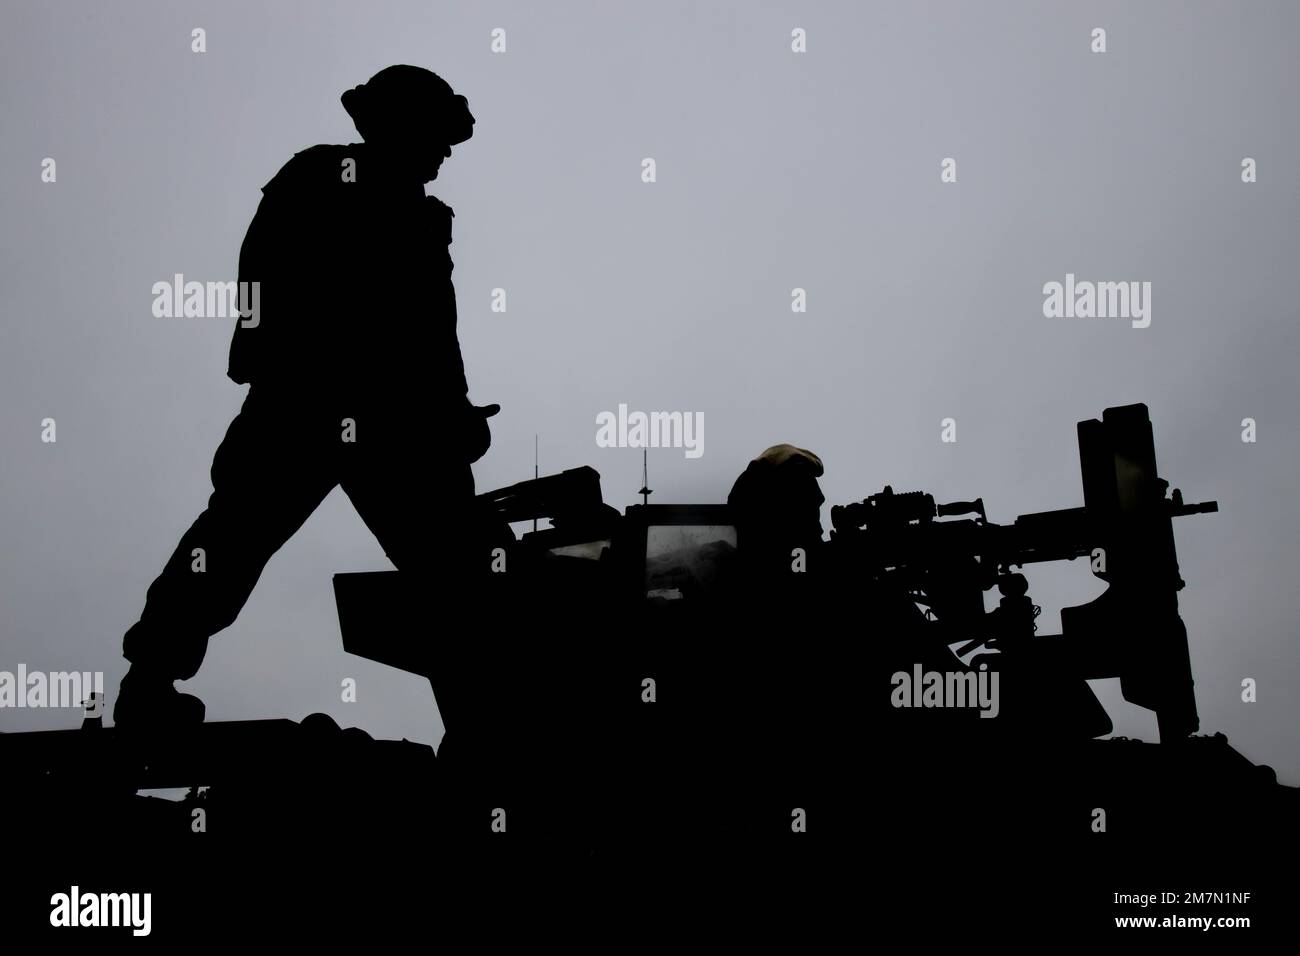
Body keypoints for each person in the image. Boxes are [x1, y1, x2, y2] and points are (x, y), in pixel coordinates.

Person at [115, 66, 499, 728]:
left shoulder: (424, 218)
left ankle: (482, 722)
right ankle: (149, 681)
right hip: (310, 401)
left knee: (453, 572)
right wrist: (267, 353)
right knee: (234, 539)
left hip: (389, 419)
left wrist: (455, 410)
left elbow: (434, 327)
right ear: (402, 126)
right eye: (438, 137)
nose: (444, 153)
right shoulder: (321, 175)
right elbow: (262, 266)